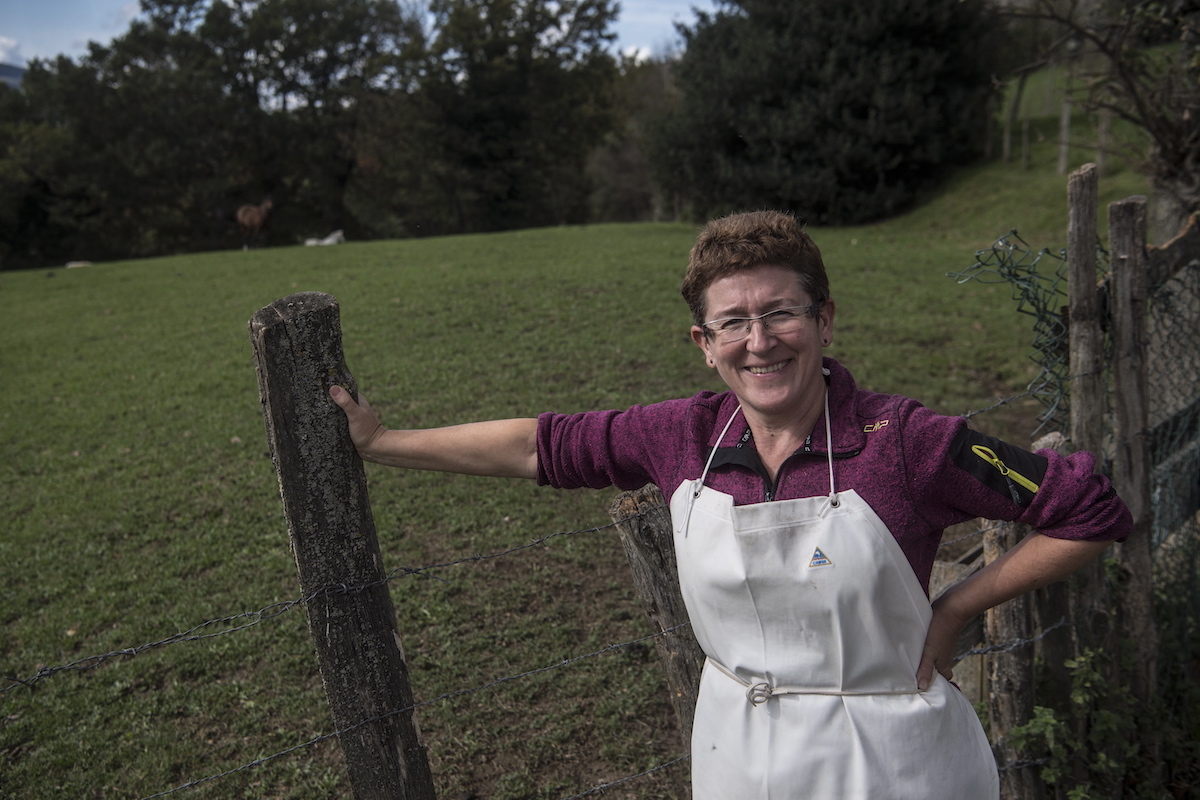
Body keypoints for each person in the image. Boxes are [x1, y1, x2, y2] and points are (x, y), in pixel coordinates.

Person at [330, 210, 1131, 799]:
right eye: (733, 323)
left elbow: (1091, 510)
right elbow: (536, 446)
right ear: (704, 344)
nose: (760, 341)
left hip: (891, 765)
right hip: (739, 760)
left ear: (823, 320)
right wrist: (384, 442)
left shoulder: (904, 441)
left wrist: (957, 608)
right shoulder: (681, 436)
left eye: (780, 312)